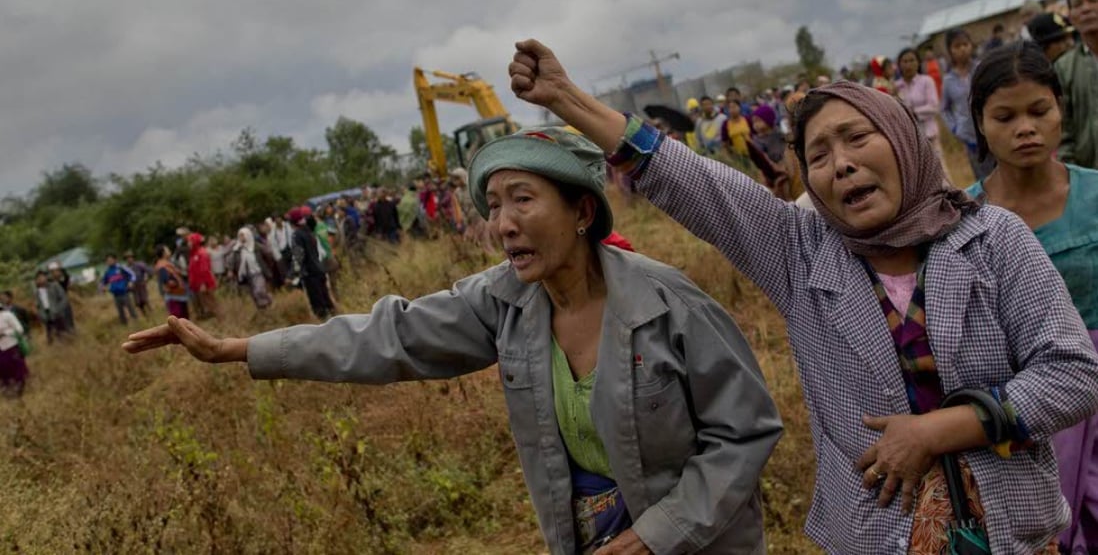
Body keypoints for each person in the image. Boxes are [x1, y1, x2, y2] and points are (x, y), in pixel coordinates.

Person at [505, 38, 1098, 553]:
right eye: (818, 155)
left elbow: (1073, 374)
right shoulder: (801, 252)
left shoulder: (993, 239)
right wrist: (566, 99)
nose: (841, 165)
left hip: (1014, 529)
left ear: (902, 139)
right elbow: (685, 176)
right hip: (875, 535)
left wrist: (938, 431)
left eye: (857, 138)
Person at [124, 125, 783, 555]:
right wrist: (237, 348)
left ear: (582, 211)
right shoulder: (504, 303)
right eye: (493, 205)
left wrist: (653, 536)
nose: (502, 224)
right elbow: (386, 339)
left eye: (523, 199)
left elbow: (745, 432)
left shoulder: (668, 304)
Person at [965, 42, 1098, 553]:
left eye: (1039, 110)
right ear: (980, 123)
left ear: (1060, 109)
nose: (1026, 127)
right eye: (1006, 116)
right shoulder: (964, 222)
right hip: (1027, 411)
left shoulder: (1093, 196)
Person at [1056, 0, 1098, 170]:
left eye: (1093, 0)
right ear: (1071, 17)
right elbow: (1064, 131)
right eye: (1078, 5)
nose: (1086, 8)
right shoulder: (1064, 68)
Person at [941, 28, 993, 180]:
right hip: (970, 137)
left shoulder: (982, 69)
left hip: (991, 129)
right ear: (950, 51)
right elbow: (944, 109)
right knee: (983, 178)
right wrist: (956, 128)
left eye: (965, 44)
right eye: (957, 46)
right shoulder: (948, 80)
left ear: (971, 45)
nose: (962, 49)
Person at [894, 47, 945, 169]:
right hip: (909, 139)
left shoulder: (926, 81)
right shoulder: (896, 87)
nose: (908, 65)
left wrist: (913, 112)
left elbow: (933, 107)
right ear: (899, 65)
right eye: (904, 62)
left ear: (918, 63)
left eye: (912, 60)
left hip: (929, 135)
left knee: (940, 172)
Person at [289, 207, 334, 320]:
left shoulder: (297, 235)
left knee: (318, 305)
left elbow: (298, 256)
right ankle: (337, 322)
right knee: (326, 300)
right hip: (319, 269)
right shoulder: (309, 230)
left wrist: (292, 274)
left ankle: (327, 330)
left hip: (310, 273)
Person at [234, 228, 273, 311]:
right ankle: (262, 309)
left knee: (259, 291)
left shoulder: (256, 246)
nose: (241, 238)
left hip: (258, 272)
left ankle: (268, 299)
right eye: (239, 236)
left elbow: (268, 255)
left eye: (242, 235)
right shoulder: (237, 249)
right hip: (246, 275)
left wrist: (266, 267)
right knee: (253, 294)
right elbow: (235, 262)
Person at [186, 233, 220, 320]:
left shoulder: (202, 253)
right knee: (206, 303)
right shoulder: (193, 254)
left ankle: (221, 319)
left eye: (190, 241)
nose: (188, 244)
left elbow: (204, 270)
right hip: (198, 285)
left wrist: (203, 284)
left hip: (205, 284)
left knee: (211, 302)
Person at [100, 253, 139, 325]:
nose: (109, 262)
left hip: (125, 293)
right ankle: (125, 326)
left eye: (110, 260)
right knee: (121, 313)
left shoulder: (121, 268)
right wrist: (102, 287)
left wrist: (131, 282)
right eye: (107, 261)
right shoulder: (107, 272)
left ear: (115, 260)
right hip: (115, 295)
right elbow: (103, 282)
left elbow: (132, 274)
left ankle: (137, 323)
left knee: (131, 310)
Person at [34, 270, 71, 343]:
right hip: (46, 316)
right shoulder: (37, 292)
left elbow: (63, 298)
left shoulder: (54, 285)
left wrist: (58, 310)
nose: (40, 279)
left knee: (63, 335)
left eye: (42, 277)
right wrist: (41, 315)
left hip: (57, 314)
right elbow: (38, 306)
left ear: (46, 277)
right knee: (51, 337)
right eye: (38, 278)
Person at [154, 245, 189, 319]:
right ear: (163, 253)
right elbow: (166, 281)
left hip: (179, 293)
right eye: (167, 250)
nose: (169, 251)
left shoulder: (168, 263)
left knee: (184, 318)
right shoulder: (162, 266)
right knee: (178, 318)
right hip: (174, 295)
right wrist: (176, 283)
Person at [0, 304, 28, 397]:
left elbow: (19, 329)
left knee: (17, 367)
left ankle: (19, 387)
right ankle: (7, 387)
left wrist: (5, 333)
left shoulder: (7, 315)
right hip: (1, 349)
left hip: (12, 345)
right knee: (4, 368)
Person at [124, 251, 152, 317]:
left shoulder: (139, 264)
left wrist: (146, 277)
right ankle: (145, 315)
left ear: (133, 258)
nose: (129, 259)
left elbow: (147, 271)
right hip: (134, 287)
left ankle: (151, 312)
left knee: (145, 299)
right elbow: (125, 278)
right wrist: (128, 285)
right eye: (127, 258)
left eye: (130, 257)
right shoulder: (125, 269)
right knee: (138, 303)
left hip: (141, 284)